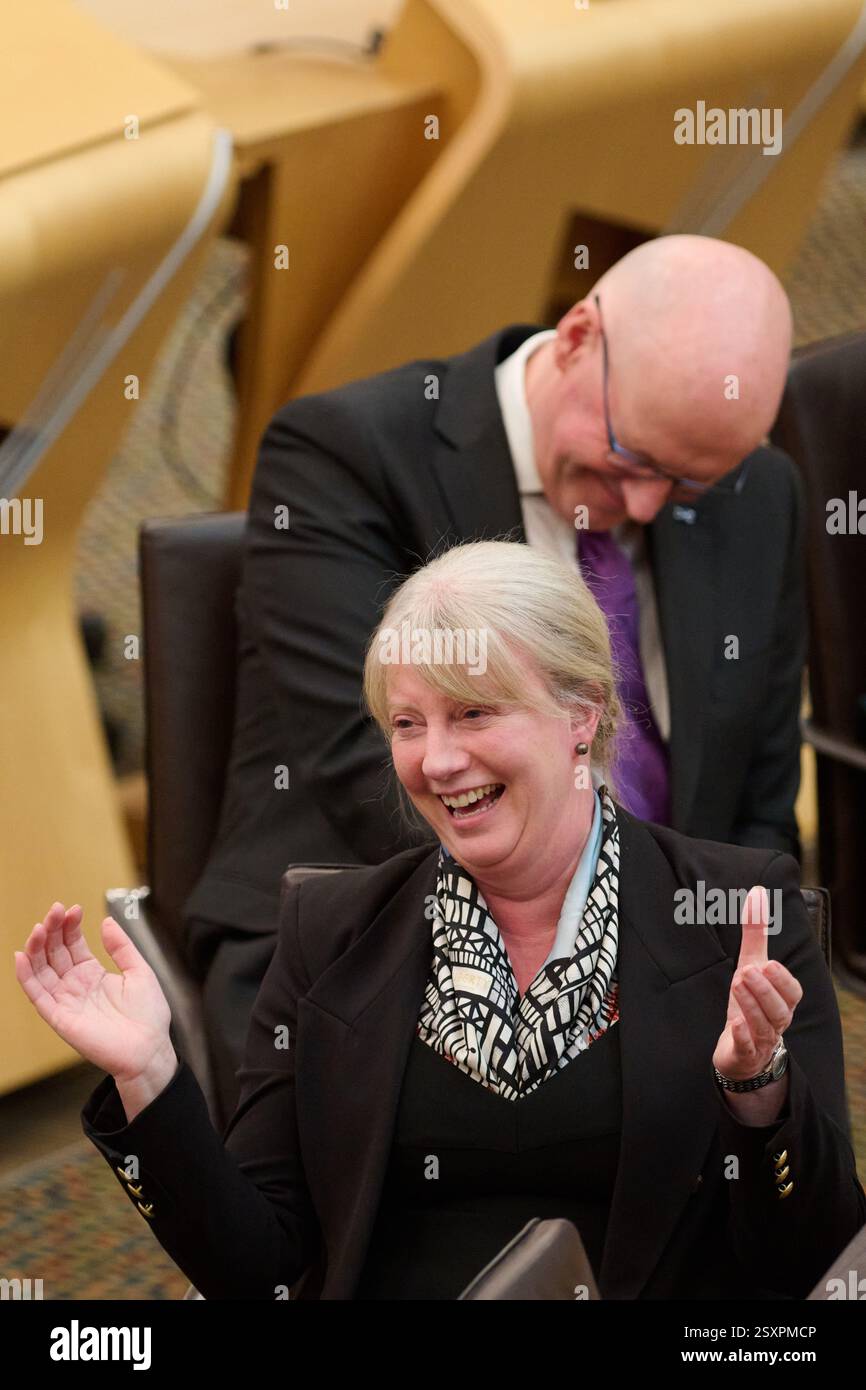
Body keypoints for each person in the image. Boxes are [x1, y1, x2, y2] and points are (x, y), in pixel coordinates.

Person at [15, 543, 862, 1300]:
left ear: (582, 714)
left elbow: (816, 1263)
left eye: (474, 713)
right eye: (408, 725)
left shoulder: (737, 917)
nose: (438, 760)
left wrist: (757, 1094)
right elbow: (258, 1268)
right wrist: (150, 1077)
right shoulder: (331, 933)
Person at [184, 234, 806, 1124]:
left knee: (777, 1182)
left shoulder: (761, 492)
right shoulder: (348, 455)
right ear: (579, 334)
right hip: (371, 942)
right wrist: (602, 972)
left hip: (671, 957)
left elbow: (760, 794)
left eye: (686, 486)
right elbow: (382, 772)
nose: (641, 508)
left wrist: (726, 963)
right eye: (631, 461)